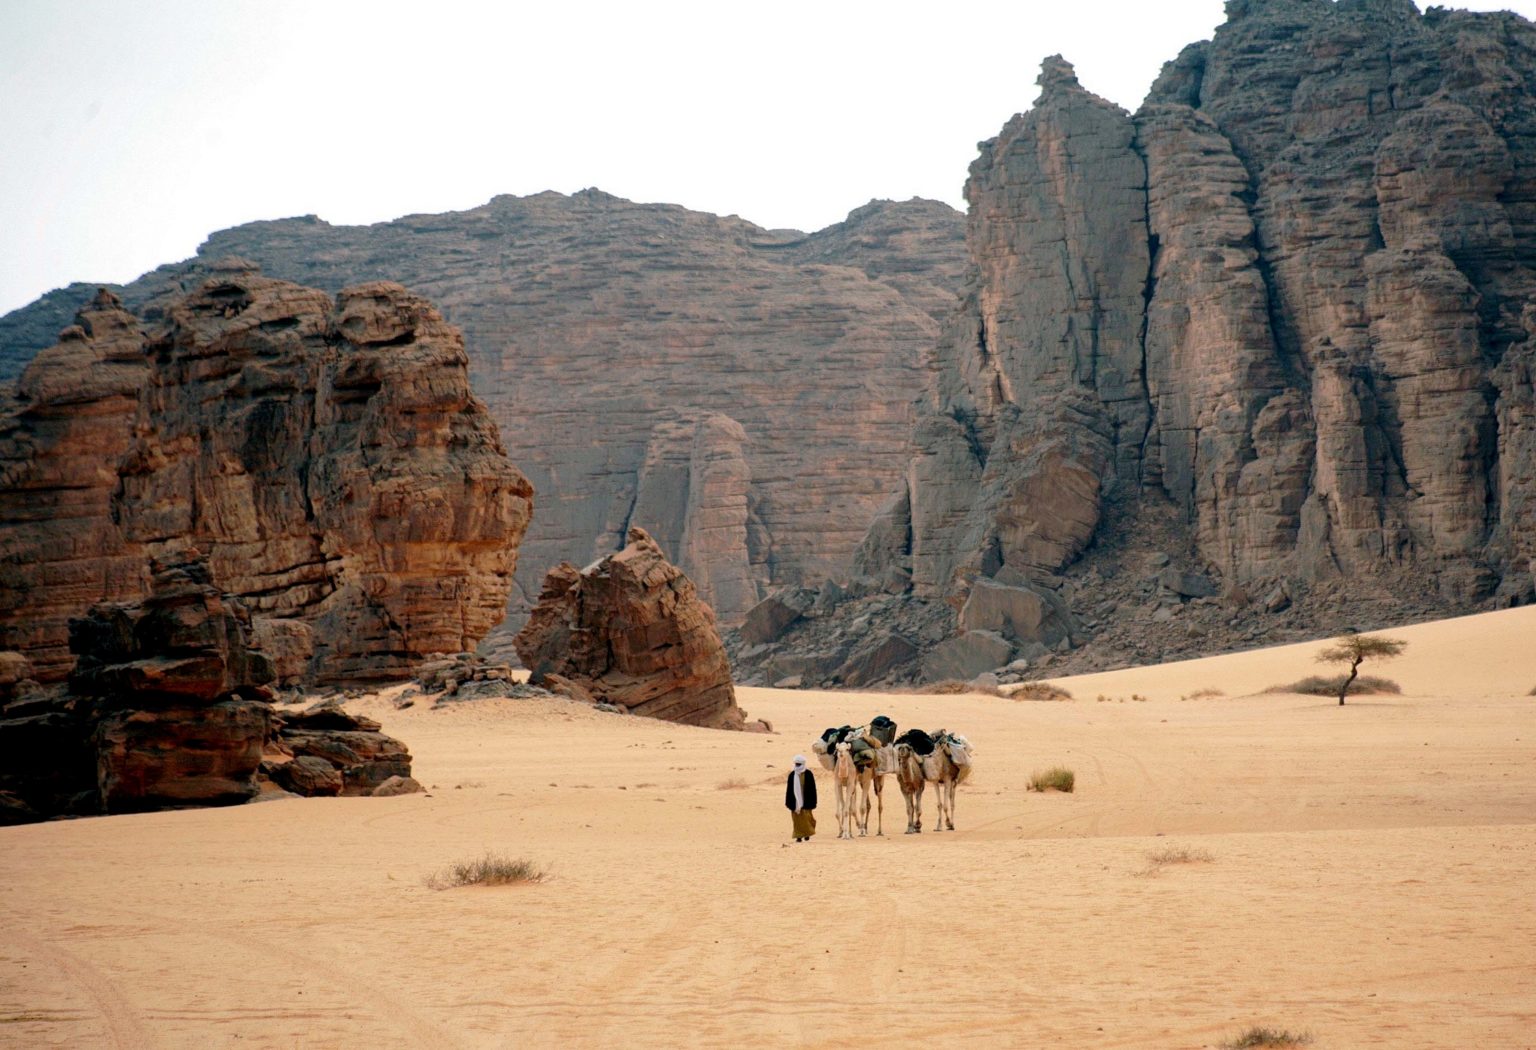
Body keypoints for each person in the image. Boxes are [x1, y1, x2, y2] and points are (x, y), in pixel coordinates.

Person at [785, 754, 817, 842]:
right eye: (796, 764)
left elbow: (813, 789)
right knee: (797, 820)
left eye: (799, 765)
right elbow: (789, 790)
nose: (797, 766)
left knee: (808, 818)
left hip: (807, 801)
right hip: (795, 802)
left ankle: (807, 834)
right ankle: (798, 836)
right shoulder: (792, 775)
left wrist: (813, 801)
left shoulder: (809, 774)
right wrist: (789, 802)